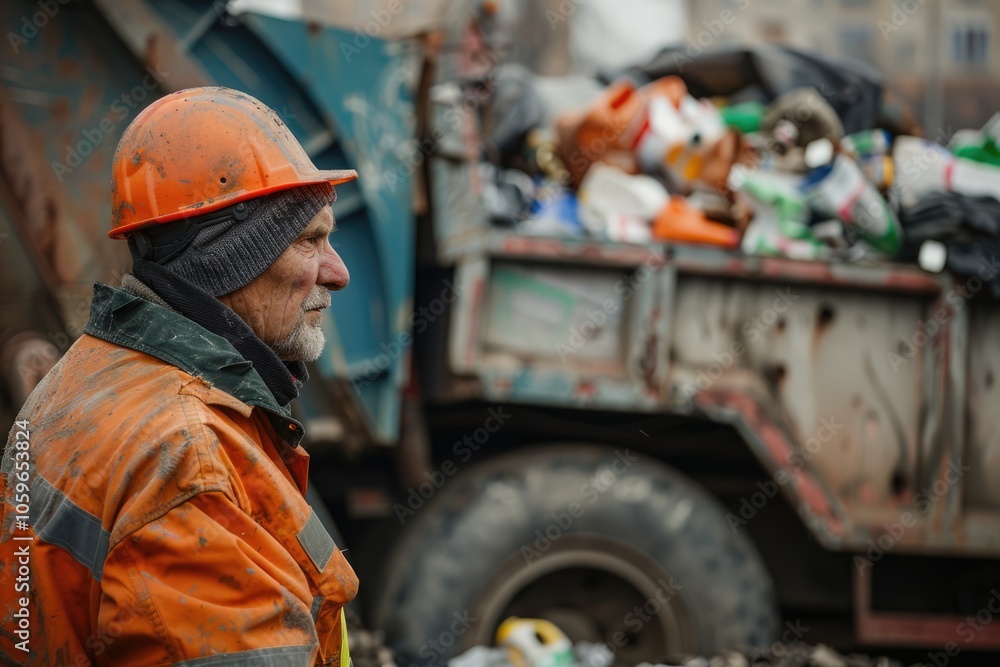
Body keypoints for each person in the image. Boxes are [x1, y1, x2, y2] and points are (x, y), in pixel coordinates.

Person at [0, 87, 359, 666]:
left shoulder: (82, 375)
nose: (337, 273)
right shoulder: (191, 460)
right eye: (310, 240)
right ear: (227, 259)